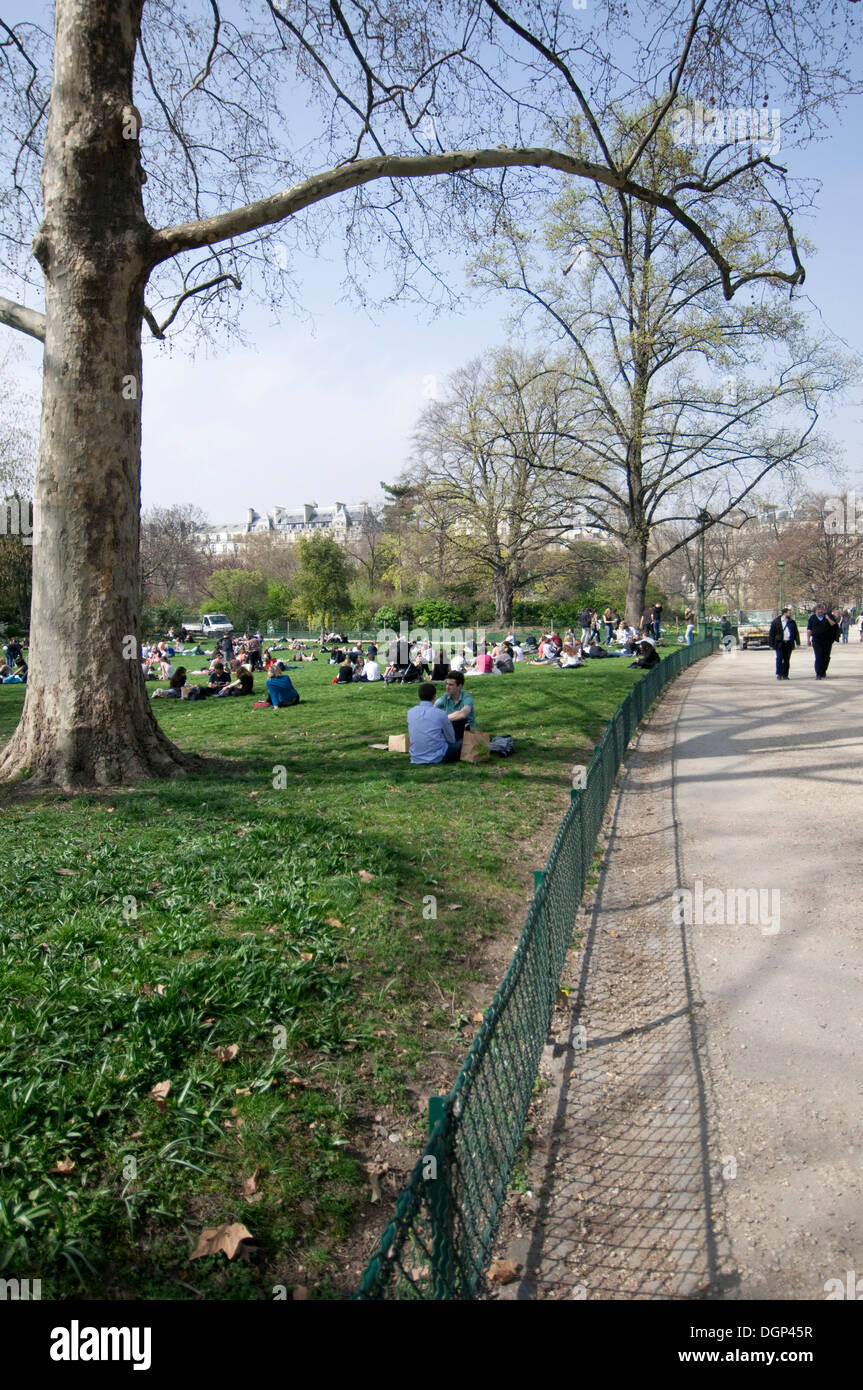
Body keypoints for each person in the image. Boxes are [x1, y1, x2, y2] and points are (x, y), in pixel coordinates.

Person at [407, 683, 461, 764]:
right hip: (438, 757)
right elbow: (451, 739)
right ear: (434, 696)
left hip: (416, 757)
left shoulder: (410, 712)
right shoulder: (440, 714)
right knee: (463, 742)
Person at [434, 670, 476, 742]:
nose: (447, 687)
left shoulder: (467, 698)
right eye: (446, 684)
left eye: (451, 685)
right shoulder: (445, 697)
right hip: (451, 731)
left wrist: (443, 719)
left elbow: (463, 714)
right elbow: (431, 709)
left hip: (467, 734)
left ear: (459, 686)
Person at [806, 604, 839, 679]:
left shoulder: (828, 616)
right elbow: (809, 629)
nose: (820, 611)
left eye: (821, 610)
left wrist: (828, 618)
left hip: (828, 640)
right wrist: (808, 640)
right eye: (818, 610)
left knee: (826, 657)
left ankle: (823, 671)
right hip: (817, 640)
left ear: (823, 610)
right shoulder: (812, 618)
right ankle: (818, 673)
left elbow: (834, 625)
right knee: (819, 656)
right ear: (816, 610)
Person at [768, 606, 800, 680]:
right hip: (779, 643)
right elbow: (772, 633)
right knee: (779, 658)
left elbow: (796, 632)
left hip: (788, 643)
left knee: (786, 659)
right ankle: (779, 674)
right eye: (789, 613)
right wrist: (771, 644)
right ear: (784, 613)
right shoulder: (776, 621)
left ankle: (785, 674)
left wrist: (797, 642)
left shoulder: (792, 622)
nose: (790, 614)